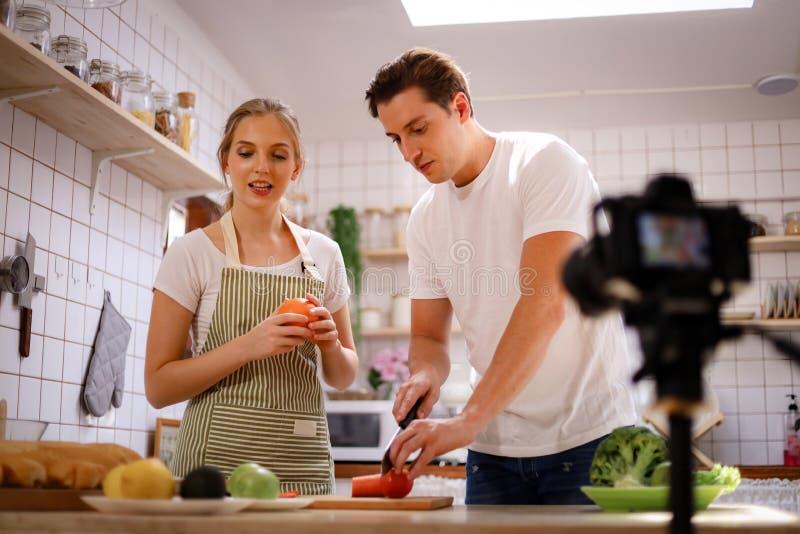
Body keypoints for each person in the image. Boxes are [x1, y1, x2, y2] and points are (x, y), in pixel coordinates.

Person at [364, 48, 637, 505]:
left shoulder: (543, 163)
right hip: (493, 453)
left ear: (461, 107)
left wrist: (465, 421)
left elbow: (546, 303)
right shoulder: (426, 219)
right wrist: (425, 375)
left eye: (419, 128)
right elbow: (429, 338)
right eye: (396, 138)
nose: (409, 152)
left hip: (589, 440)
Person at [145, 98, 358, 495]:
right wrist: (249, 345)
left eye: (278, 155)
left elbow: (344, 376)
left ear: (295, 168)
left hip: (303, 468)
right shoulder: (191, 253)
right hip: (213, 473)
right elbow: (158, 388)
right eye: (246, 153)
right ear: (227, 161)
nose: (262, 167)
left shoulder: (324, 255)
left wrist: (330, 346)